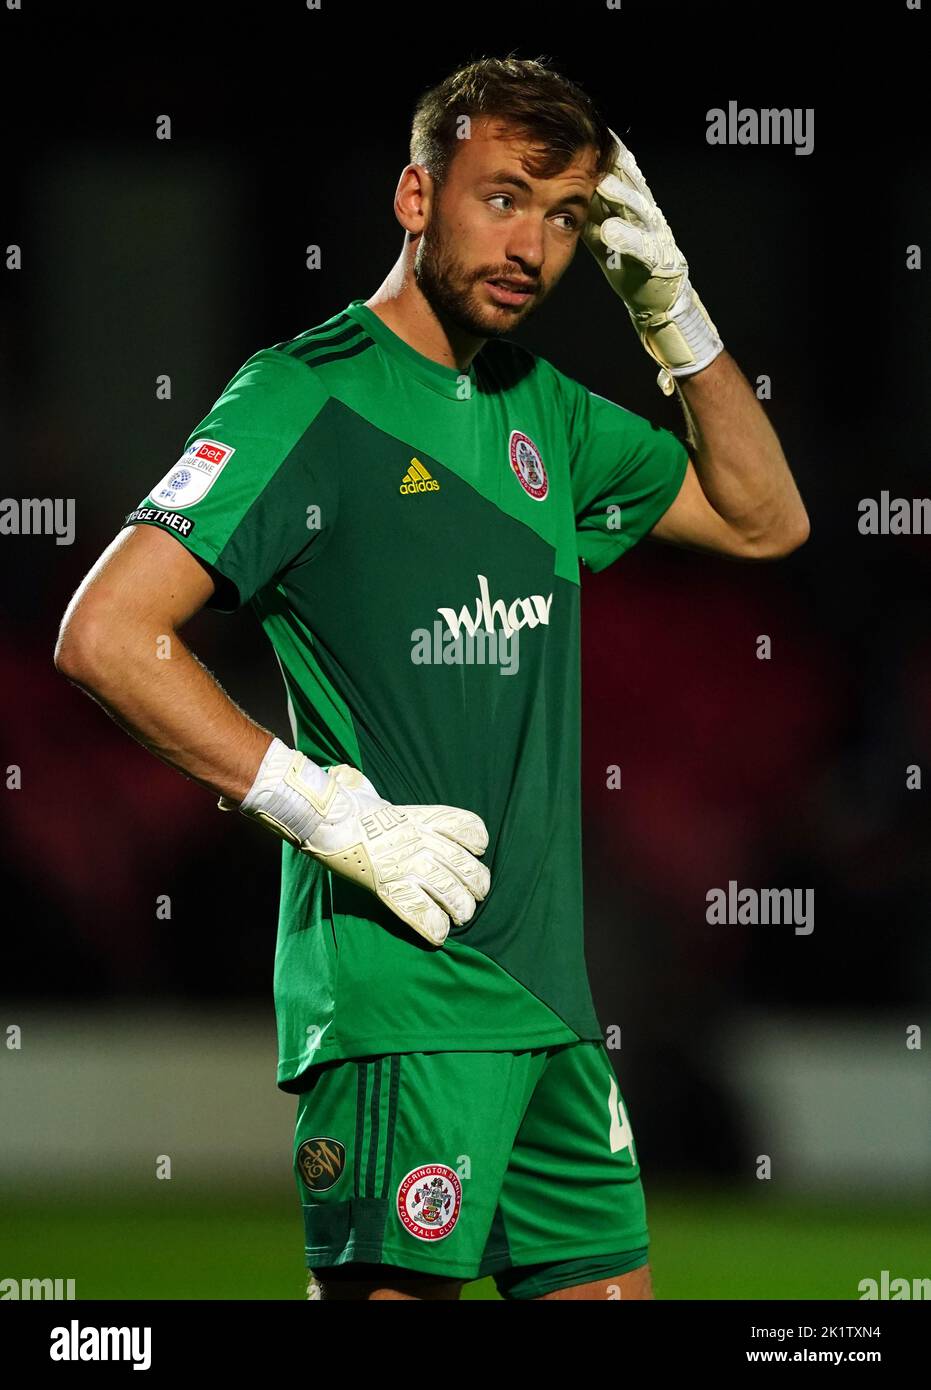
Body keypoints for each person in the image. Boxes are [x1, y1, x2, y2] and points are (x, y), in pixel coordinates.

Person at [54, 54, 809, 1302]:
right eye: (502, 196)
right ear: (414, 197)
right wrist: (335, 814)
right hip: (404, 988)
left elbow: (764, 518)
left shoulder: (545, 411)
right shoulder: (305, 393)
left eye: (567, 216)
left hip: (549, 1002)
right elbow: (106, 634)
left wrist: (672, 310)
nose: (533, 243)